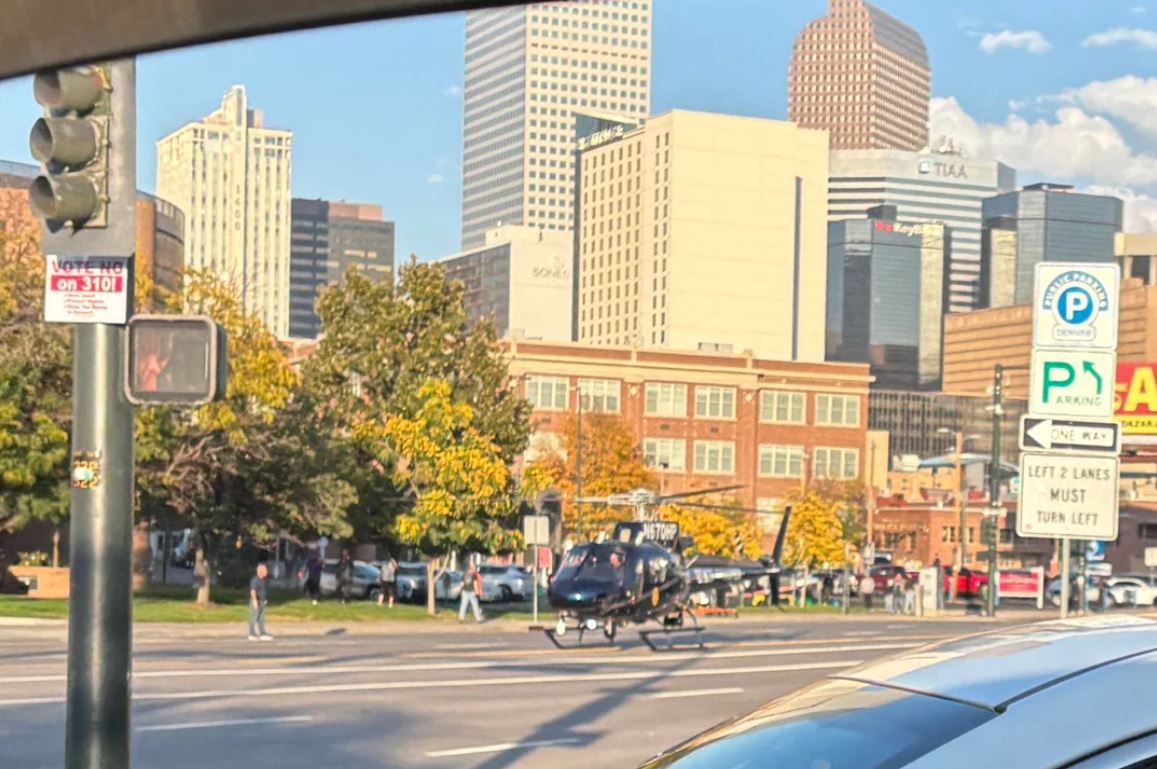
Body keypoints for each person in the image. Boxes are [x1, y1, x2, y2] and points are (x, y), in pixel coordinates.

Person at [248, 563, 274, 641]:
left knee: (261, 619)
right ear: (260, 571)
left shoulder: (263, 580)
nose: (266, 572)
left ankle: (262, 633)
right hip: (256, 601)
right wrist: (254, 601)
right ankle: (251, 634)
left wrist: (265, 600)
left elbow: (263, 591)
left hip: (262, 601)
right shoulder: (255, 579)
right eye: (265, 570)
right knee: (253, 618)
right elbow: (253, 591)